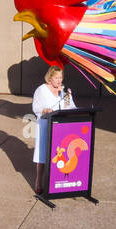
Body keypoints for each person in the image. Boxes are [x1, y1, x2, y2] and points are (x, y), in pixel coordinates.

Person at [31, 66, 73, 195]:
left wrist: (67, 97)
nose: (59, 80)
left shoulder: (63, 91)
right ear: (50, 78)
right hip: (45, 125)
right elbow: (36, 106)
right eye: (56, 78)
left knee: (59, 154)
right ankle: (39, 180)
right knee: (43, 153)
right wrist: (44, 110)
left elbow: (70, 107)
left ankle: (59, 182)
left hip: (60, 126)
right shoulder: (41, 90)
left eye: (61, 77)